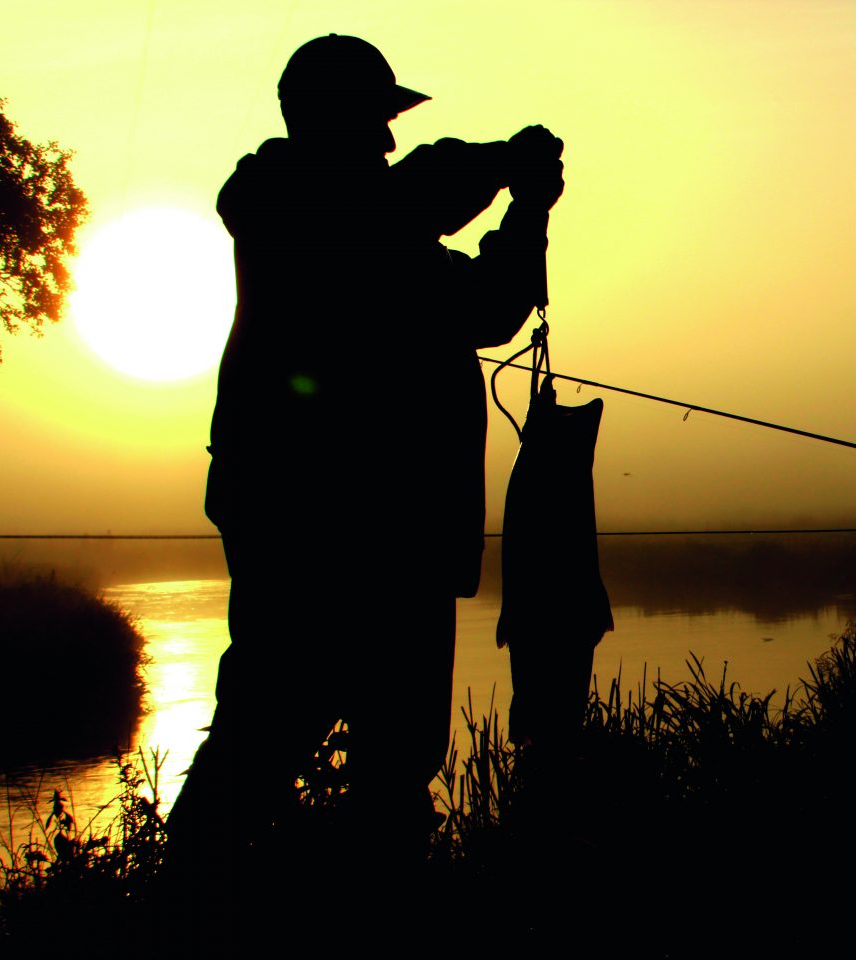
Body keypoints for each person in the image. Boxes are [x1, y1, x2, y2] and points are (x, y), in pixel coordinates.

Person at [164, 33, 564, 933]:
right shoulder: (281, 202)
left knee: (394, 765)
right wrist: (505, 162)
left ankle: (364, 923)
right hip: (311, 533)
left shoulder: (389, 234)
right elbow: (408, 196)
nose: (388, 139)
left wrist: (527, 211)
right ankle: (181, 920)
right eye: (377, 120)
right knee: (263, 738)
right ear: (327, 120)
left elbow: (490, 308)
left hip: (407, 541)